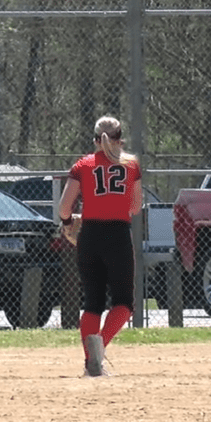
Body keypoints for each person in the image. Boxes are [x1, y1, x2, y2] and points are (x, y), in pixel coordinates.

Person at [57, 115, 143, 377]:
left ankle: (89, 362)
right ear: (120, 140)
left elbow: (63, 207)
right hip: (117, 235)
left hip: (90, 235)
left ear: (95, 139)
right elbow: (135, 207)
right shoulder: (130, 164)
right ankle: (100, 347)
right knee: (123, 303)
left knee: (92, 303)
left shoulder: (83, 165)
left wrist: (68, 221)